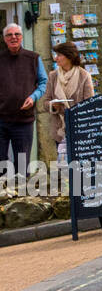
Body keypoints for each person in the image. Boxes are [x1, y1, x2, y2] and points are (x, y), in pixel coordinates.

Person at [0, 24, 46, 177]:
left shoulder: (33, 58)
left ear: (21, 37)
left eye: (17, 34)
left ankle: (20, 197)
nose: (13, 37)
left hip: (23, 120)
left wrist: (33, 97)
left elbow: (43, 82)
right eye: (9, 35)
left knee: (21, 164)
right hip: (1, 119)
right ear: (4, 39)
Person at [48, 42, 94, 163]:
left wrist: (75, 112)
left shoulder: (84, 76)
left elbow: (90, 104)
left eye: (59, 55)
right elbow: (46, 101)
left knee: (79, 164)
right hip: (59, 128)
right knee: (64, 165)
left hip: (78, 127)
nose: (56, 58)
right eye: (55, 55)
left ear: (69, 56)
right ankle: (67, 182)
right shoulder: (53, 76)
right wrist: (53, 105)